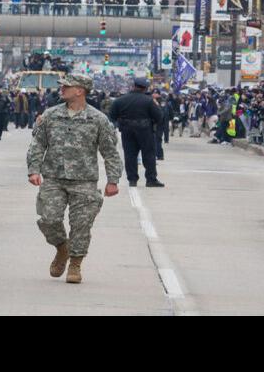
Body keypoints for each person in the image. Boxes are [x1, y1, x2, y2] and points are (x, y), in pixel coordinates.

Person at [26, 74, 122, 284]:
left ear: (80, 90)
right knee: (49, 220)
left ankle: (75, 265)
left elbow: (110, 152)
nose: (62, 89)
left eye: (67, 86)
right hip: (54, 178)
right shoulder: (50, 115)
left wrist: (112, 180)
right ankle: (62, 248)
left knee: (81, 225)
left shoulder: (98, 119)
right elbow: (38, 144)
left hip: (84, 181)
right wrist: (33, 169)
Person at [107, 78, 164, 188]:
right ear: (145, 88)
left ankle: (132, 180)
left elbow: (112, 115)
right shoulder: (148, 101)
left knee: (130, 155)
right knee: (149, 155)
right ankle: (151, 179)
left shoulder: (120, 100)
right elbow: (159, 116)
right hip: (145, 131)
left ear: (134, 86)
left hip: (127, 131)